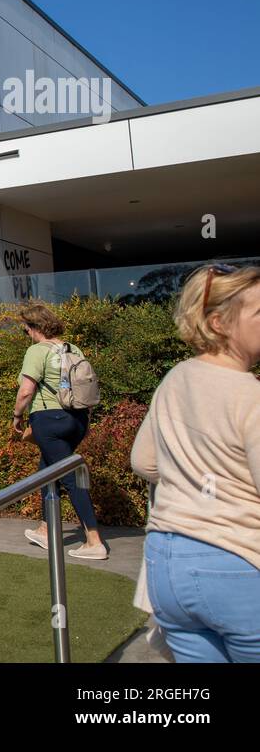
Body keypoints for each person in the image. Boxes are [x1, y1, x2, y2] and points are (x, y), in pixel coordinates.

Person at [131, 263, 260, 663]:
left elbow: (143, 461)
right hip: (238, 563)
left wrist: (195, 483)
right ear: (220, 322)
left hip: (166, 565)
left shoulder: (175, 378)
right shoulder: (250, 396)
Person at [13, 301, 107, 559]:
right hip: (77, 420)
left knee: (70, 478)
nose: (27, 335)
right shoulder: (72, 348)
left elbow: (26, 391)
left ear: (35, 327)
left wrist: (17, 416)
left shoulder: (37, 351)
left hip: (49, 421)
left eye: (26, 330)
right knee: (47, 471)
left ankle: (94, 541)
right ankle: (45, 529)